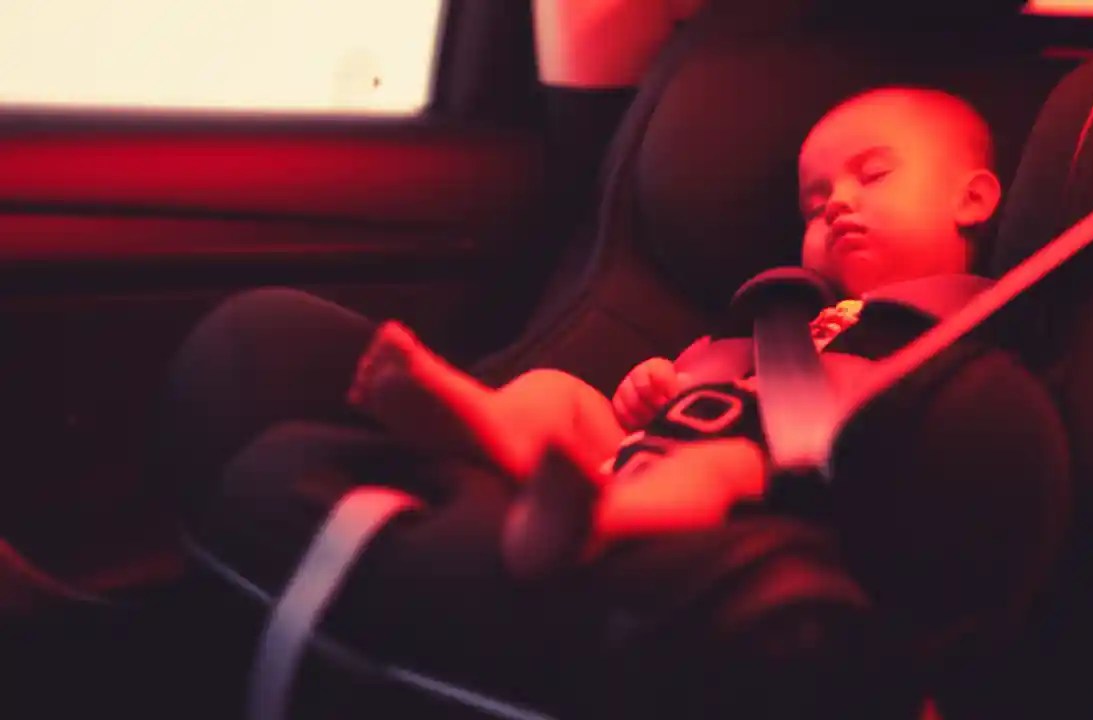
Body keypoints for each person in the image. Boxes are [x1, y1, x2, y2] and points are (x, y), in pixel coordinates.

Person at [342, 86, 1007, 577]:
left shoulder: (965, 331)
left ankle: (592, 524)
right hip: (655, 445)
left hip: (782, 489)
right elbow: (688, 391)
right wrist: (655, 389)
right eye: (814, 201)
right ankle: (486, 428)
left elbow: (929, 453)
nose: (837, 203)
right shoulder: (776, 320)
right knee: (557, 392)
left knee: (722, 465)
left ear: (972, 199)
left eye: (874, 174)